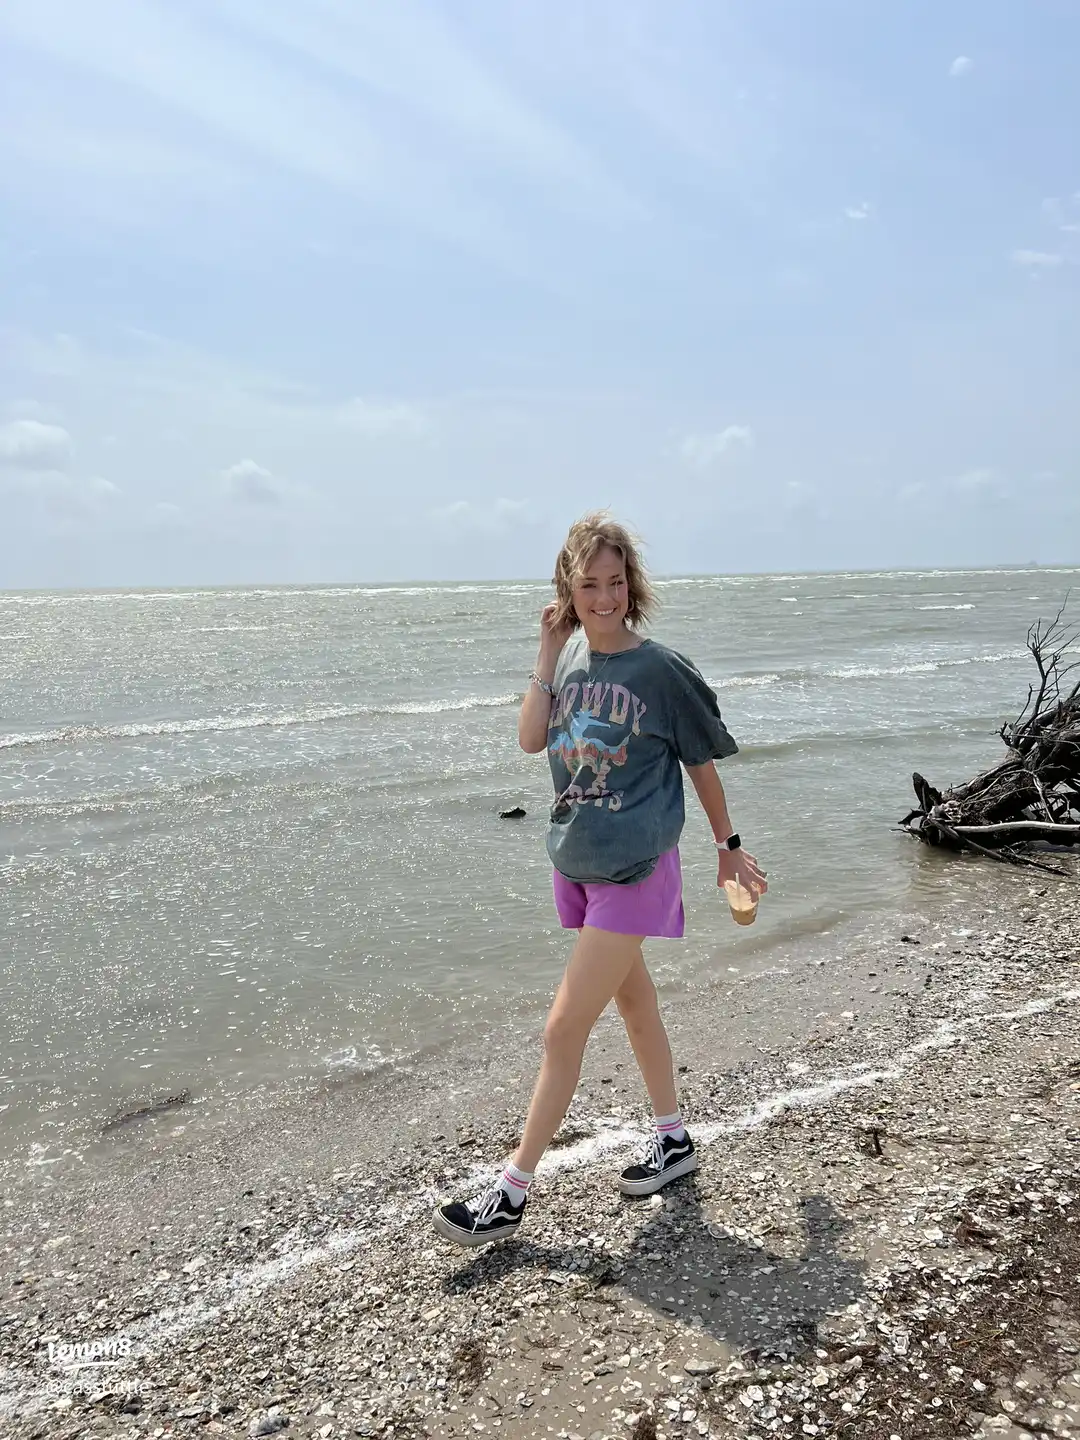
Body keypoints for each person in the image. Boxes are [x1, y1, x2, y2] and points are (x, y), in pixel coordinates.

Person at [433, 511, 766, 1247]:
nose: (605, 597)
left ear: (632, 586)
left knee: (563, 1027)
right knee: (636, 1004)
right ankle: (673, 1139)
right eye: (590, 585)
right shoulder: (572, 665)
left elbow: (699, 762)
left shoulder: (660, 670)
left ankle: (511, 1193)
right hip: (578, 862)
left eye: (616, 582)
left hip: (638, 868)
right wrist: (547, 653)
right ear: (569, 590)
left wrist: (727, 846)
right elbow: (530, 740)